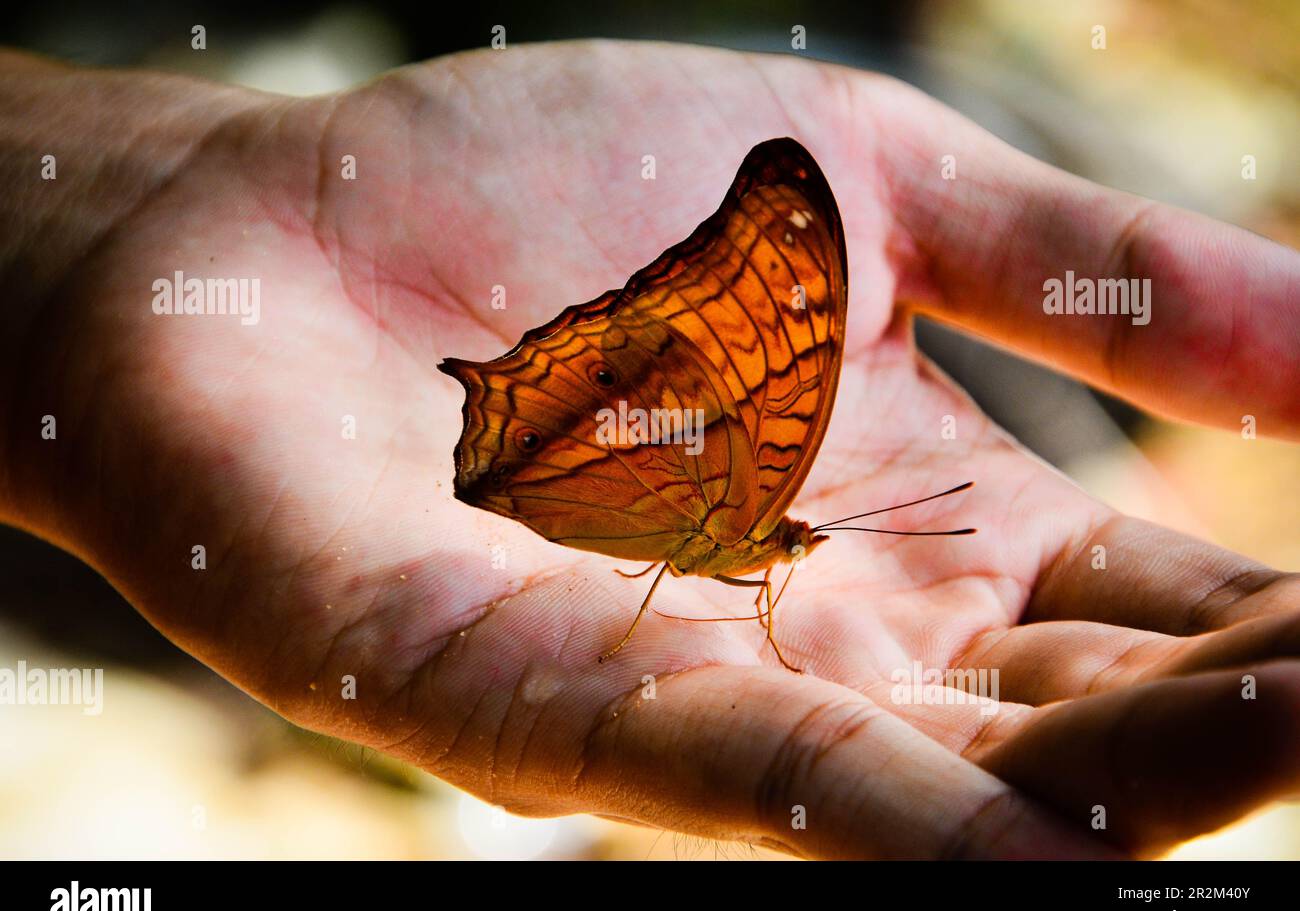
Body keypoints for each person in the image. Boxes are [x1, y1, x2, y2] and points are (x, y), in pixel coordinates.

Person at [1, 41, 1296, 860]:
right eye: (789, 546)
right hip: (579, 439)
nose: (789, 549)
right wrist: (124, 206)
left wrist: (105, 214)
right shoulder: (744, 496)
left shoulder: (752, 517)